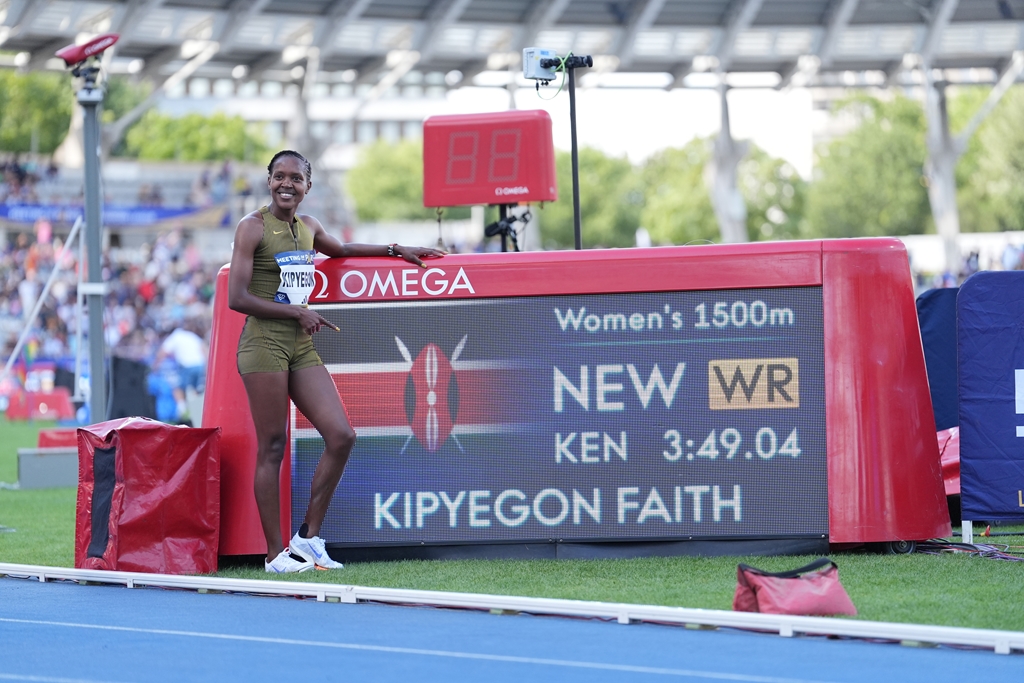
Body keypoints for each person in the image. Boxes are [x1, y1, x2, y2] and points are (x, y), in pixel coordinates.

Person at [228, 150, 445, 573]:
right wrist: (297, 312)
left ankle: (307, 540)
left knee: (342, 435)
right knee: (273, 446)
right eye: (279, 176)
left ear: (308, 186)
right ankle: (274, 556)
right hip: (263, 344)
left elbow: (342, 249)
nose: (286, 184)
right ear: (269, 181)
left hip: (299, 344)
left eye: (295, 178)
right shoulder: (252, 227)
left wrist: (395, 249)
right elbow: (237, 297)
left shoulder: (309, 227)